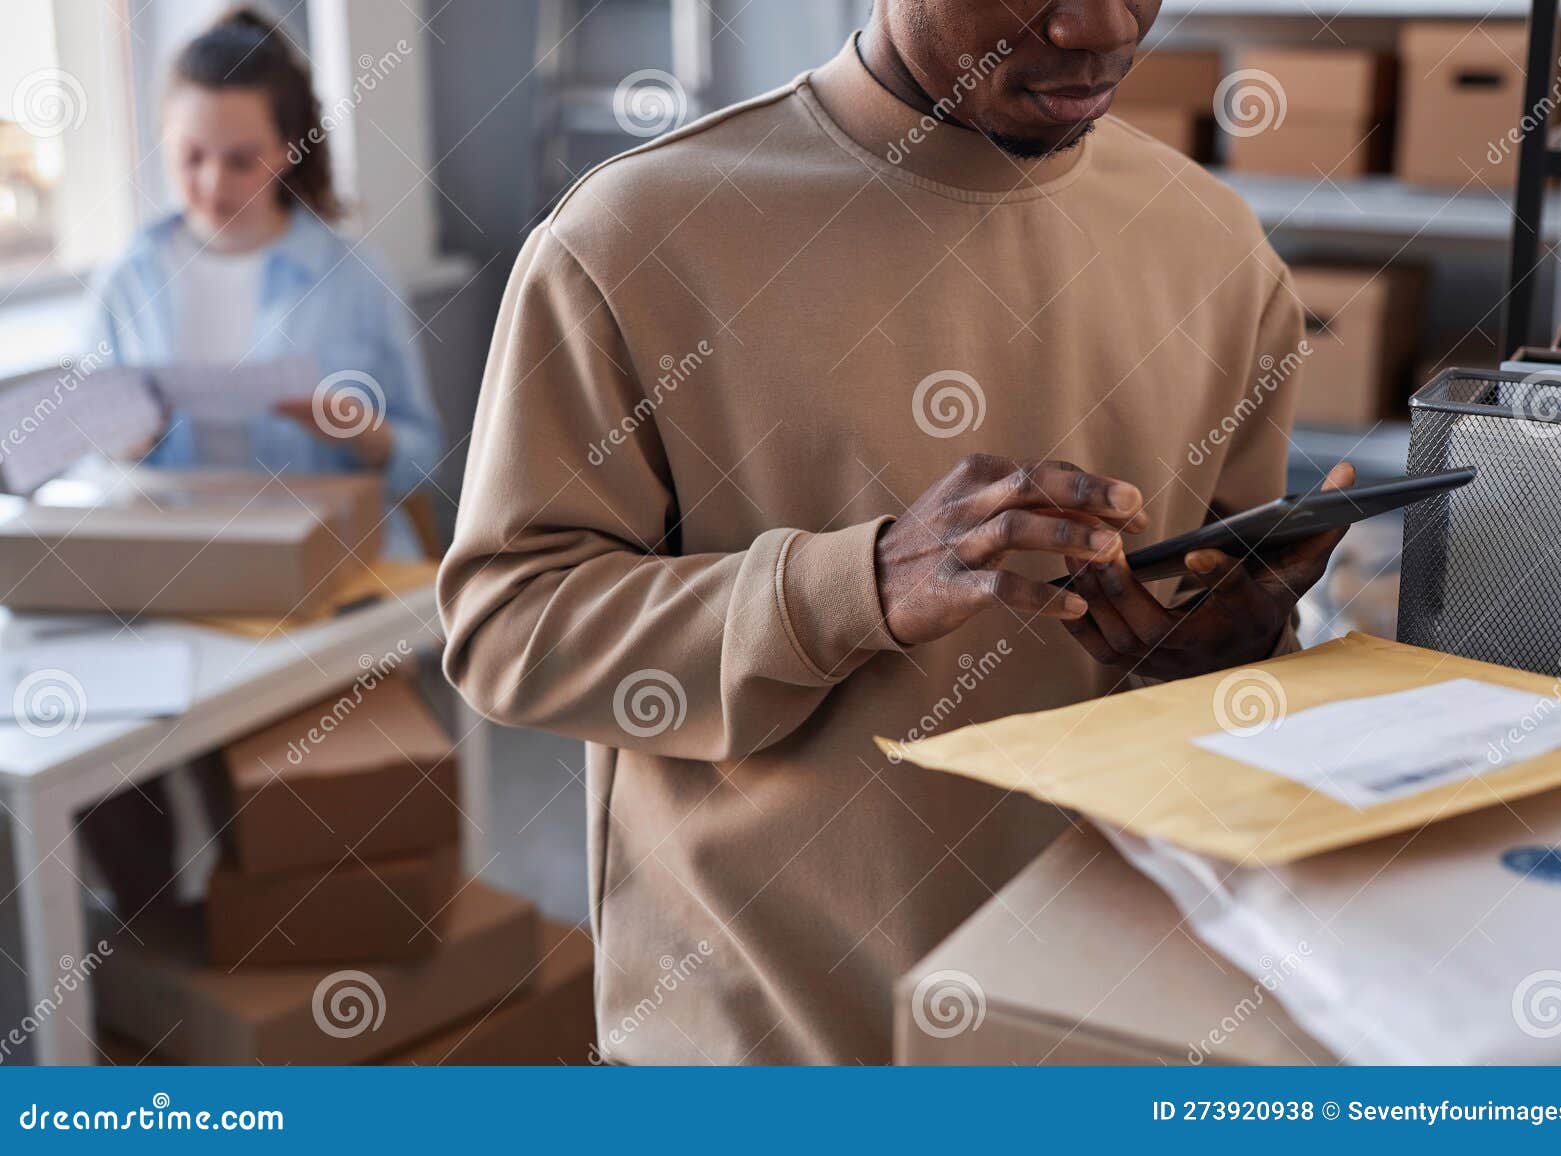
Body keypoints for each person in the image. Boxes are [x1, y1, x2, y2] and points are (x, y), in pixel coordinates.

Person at [440, 0, 1353, 1064]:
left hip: (1104, 1035)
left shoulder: (1215, 246)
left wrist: (1228, 649)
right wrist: (848, 587)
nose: (1103, 24)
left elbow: (1204, 646)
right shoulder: (634, 235)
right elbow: (508, 627)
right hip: (757, 1053)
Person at [84, 7, 440, 554]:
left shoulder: (356, 276)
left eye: (240, 161)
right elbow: (94, 462)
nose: (212, 183)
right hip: (179, 563)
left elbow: (423, 456)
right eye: (191, 157)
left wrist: (358, 431)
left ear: (287, 150)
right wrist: (124, 441)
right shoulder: (126, 281)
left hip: (334, 560)